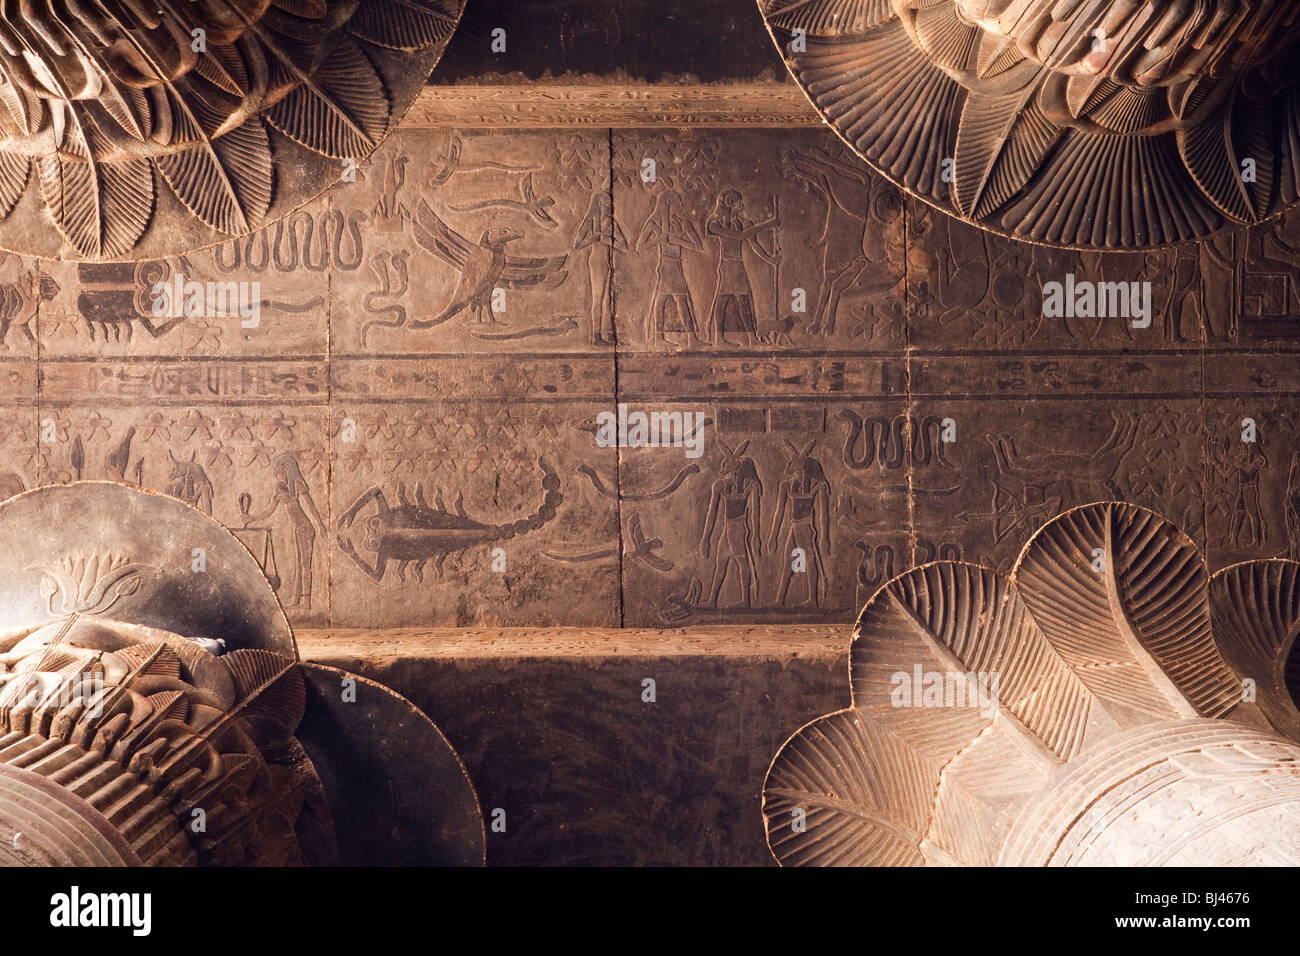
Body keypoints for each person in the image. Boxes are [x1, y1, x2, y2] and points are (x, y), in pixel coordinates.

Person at [242, 453, 326, 609]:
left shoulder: (298, 484)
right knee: (298, 565)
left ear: (287, 468)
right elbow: (269, 510)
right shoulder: (279, 488)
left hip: (306, 528)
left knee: (305, 565)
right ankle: (296, 599)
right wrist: (251, 518)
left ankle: (306, 601)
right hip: (297, 529)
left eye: (277, 469)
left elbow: (310, 506)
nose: (275, 473)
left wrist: (320, 525)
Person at [704, 190, 778, 346]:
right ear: (730, 203)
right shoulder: (715, 224)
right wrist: (768, 223)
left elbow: (754, 244)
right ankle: (719, 339)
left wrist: (770, 259)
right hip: (727, 265)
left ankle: (751, 338)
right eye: (738, 202)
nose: (742, 205)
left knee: (743, 301)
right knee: (724, 300)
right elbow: (740, 236)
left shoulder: (744, 223)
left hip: (738, 264)